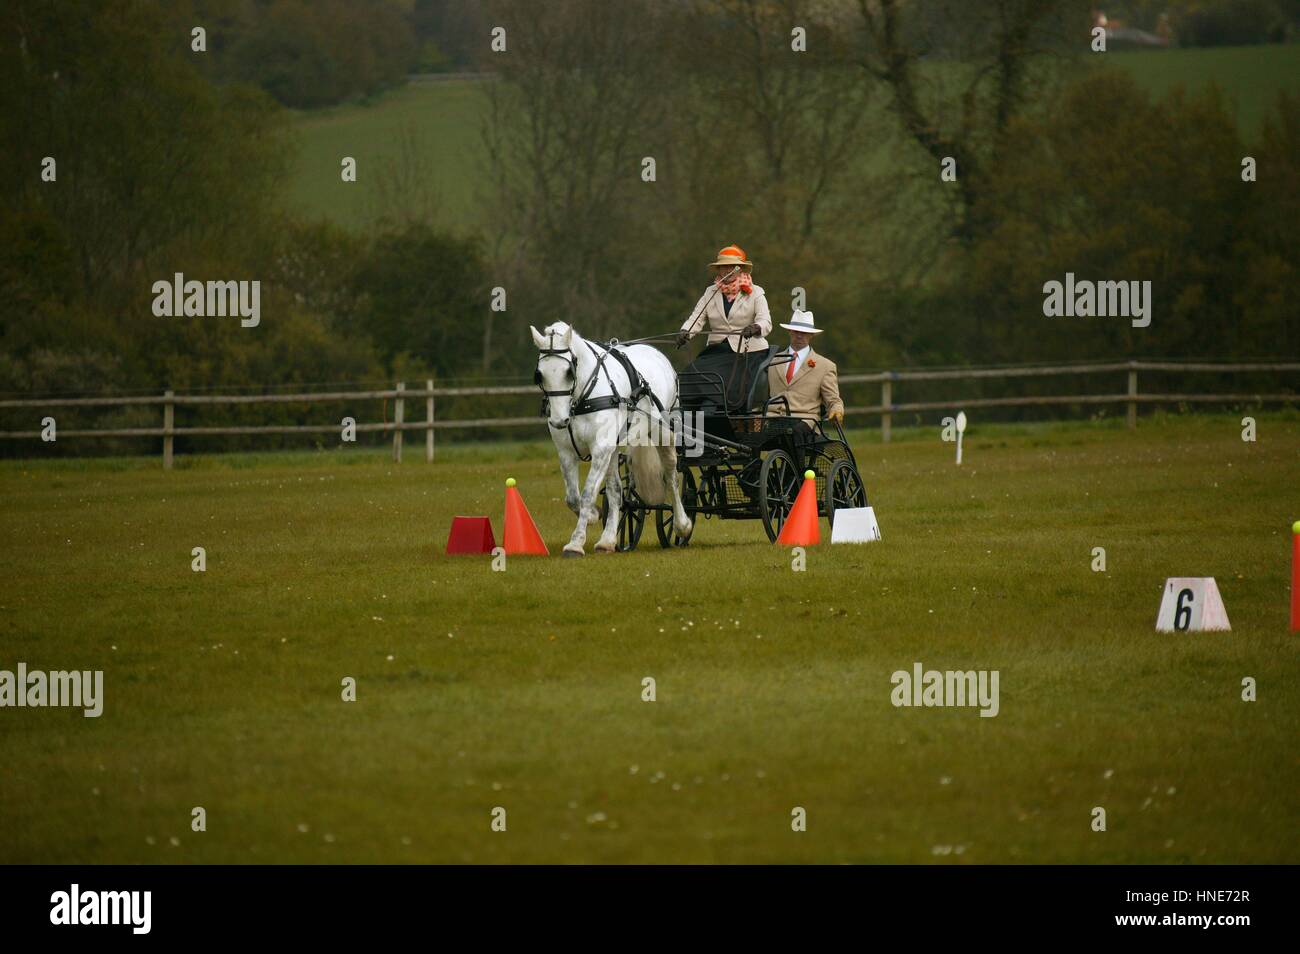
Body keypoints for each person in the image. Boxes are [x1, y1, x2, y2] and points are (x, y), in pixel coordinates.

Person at [675, 245, 771, 413]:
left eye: (730, 266)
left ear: (739, 269)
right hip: (717, 351)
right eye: (722, 267)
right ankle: (688, 416)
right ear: (718, 270)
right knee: (691, 373)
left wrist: (755, 327)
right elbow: (696, 319)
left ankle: (709, 411)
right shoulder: (710, 292)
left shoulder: (756, 293)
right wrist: (685, 332)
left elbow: (766, 321)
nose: (726, 270)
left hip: (747, 353)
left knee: (718, 377)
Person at [766, 310, 844, 428]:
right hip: (771, 420)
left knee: (796, 433)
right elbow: (760, 396)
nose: (799, 335)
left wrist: (837, 411)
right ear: (789, 331)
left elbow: (833, 400)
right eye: (796, 331)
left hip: (804, 422)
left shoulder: (825, 366)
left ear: (811, 335)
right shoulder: (772, 361)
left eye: (804, 332)